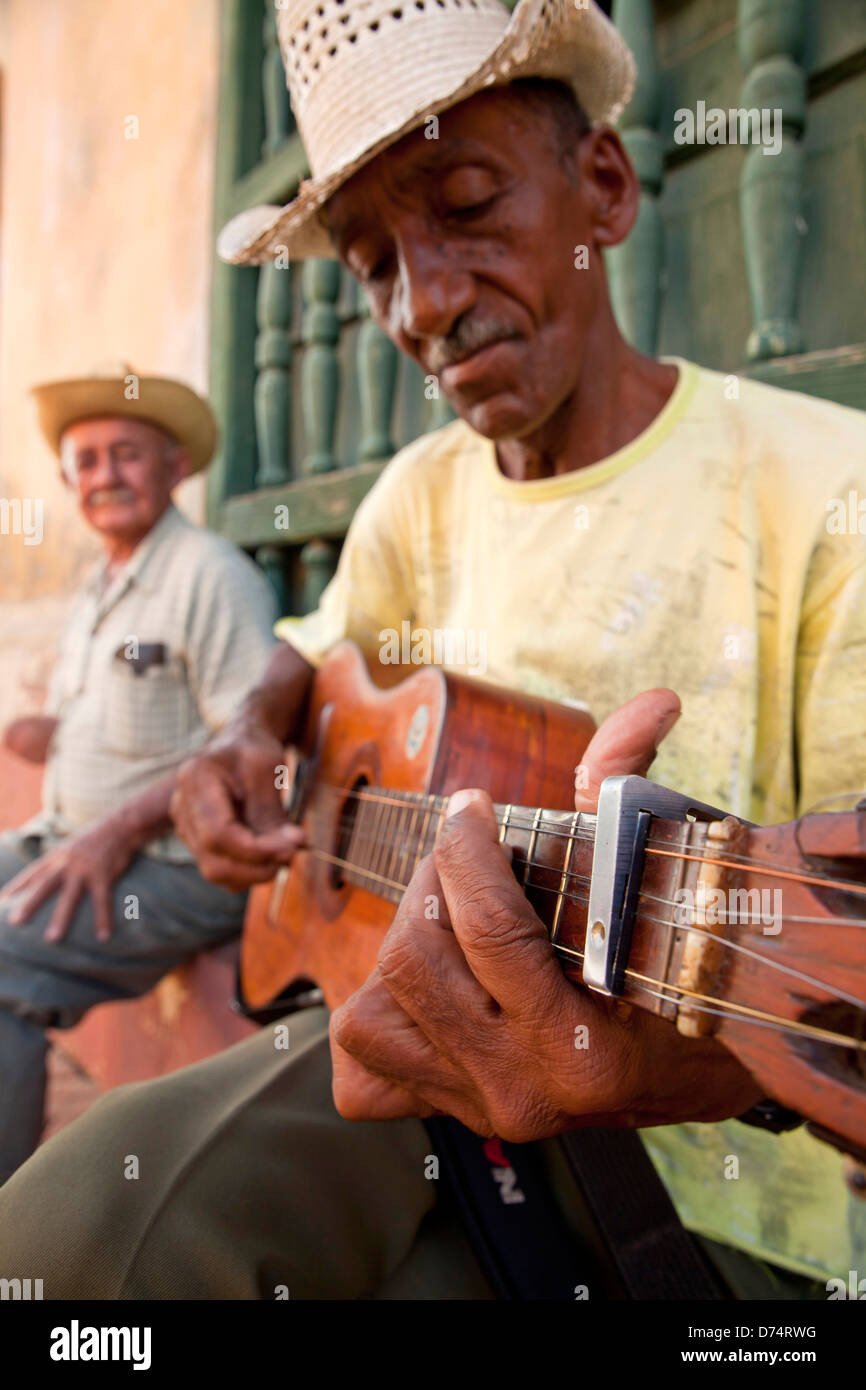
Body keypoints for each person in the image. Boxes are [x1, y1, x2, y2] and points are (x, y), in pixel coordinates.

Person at [1, 0, 864, 1298]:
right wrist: (242, 745)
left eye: (466, 206)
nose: (423, 304)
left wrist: (661, 1056)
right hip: (407, 1076)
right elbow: (305, 656)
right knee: (77, 1239)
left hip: (721, 1210)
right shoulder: (417, 493)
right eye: (371, 263)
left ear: (607, 190)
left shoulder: (826, 489)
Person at [0, 364, 286, 1184]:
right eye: (86, 462)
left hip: (172, 865)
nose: (104, 476)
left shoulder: (210, 574)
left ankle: (10, 1221)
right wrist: (49, 732)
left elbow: (248, 747)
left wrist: (118, 828)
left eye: (126, 453)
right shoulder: (100, 585)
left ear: (175, 467)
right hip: (64, 839)